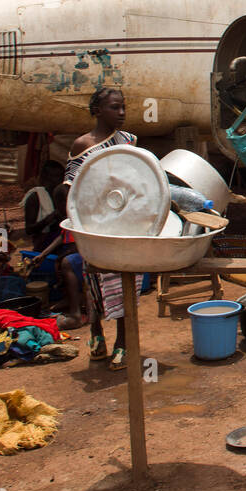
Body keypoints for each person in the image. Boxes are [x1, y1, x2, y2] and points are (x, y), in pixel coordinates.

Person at [65, 87, 142, 370]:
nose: (121, 113)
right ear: (97, 110)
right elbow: (71, 189)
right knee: (96, 281)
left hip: (127, 223)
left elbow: (138, 181)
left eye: (123, 107)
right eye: (114, 107)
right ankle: (96, 334)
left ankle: (123, 342)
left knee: (126, 281)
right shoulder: (82, 146)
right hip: (97, 224)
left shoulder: (129, 141)